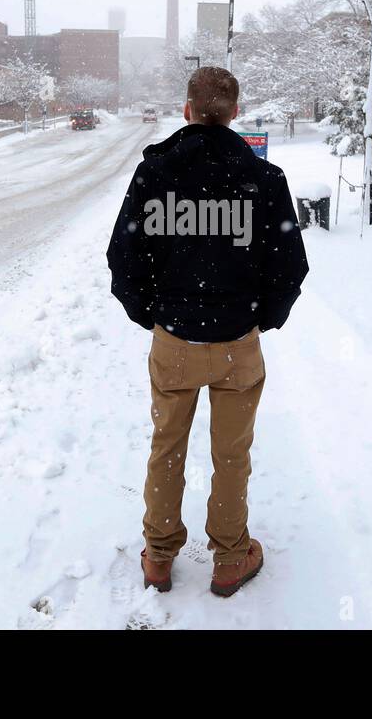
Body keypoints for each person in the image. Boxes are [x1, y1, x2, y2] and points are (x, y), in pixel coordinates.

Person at [106, 66, 309, 597]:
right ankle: (229, 559)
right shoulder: (264, 181)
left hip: (173, 340)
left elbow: (123, 257)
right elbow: (291, 266)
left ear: (187, 110)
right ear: (235, 113)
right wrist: (262, 316)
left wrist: (152, 313)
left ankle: (159, 554)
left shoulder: (154, 176)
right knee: (232, 453)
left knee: (166, 446)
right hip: (237, 343)